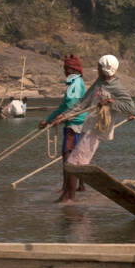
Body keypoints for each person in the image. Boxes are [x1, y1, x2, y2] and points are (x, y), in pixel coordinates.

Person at [43, 54, 135, 180]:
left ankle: (70, 197)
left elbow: (130, 108)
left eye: (99, 67)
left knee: (73, 164)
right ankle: (77, 190)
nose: (97, 69)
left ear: (104, 69)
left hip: (99, 128)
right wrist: (64, 116)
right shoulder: (99, 82)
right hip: (88, 125)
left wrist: (110, 102)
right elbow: (83, 103)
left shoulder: (116, 87)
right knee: (76, 161)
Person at [43, 55, 88, 202]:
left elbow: (71, 105)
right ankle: (73, 188)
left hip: (75, 123)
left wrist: (61, 117)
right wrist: (49, 119)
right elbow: (64, 105)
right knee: (75, 156)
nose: (63, 71)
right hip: (74, 122)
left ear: (70, 69)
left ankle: (69, 194)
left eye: (65, 68)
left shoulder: (75, 83)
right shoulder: (74, 83)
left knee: (68, 158)